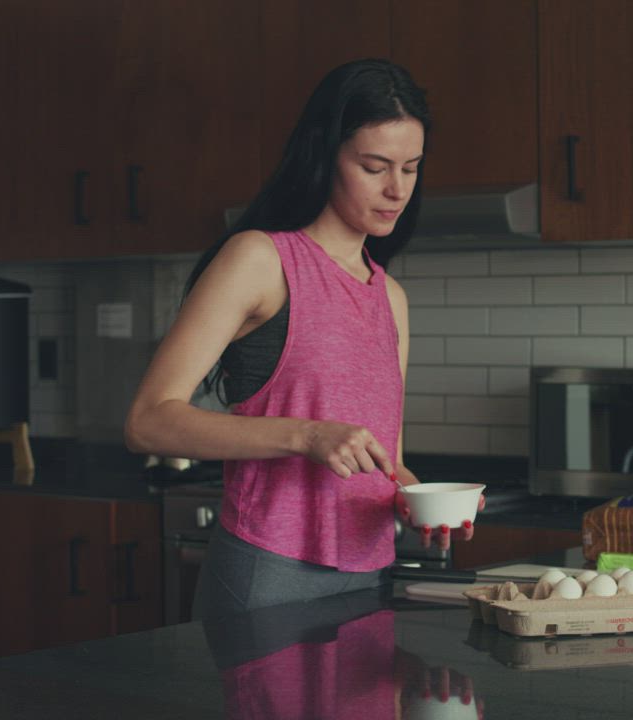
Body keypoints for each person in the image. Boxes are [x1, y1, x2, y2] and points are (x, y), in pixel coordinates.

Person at [124, 59, 482, 619]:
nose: (396, 189)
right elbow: (147, 422)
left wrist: (420, 503)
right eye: (374, 166)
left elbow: (388, 462)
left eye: (410, 168)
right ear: (325, 157)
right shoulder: (259, 260)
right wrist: (307, 436)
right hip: (269, 571)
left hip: (370, 575)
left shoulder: (391, 298)